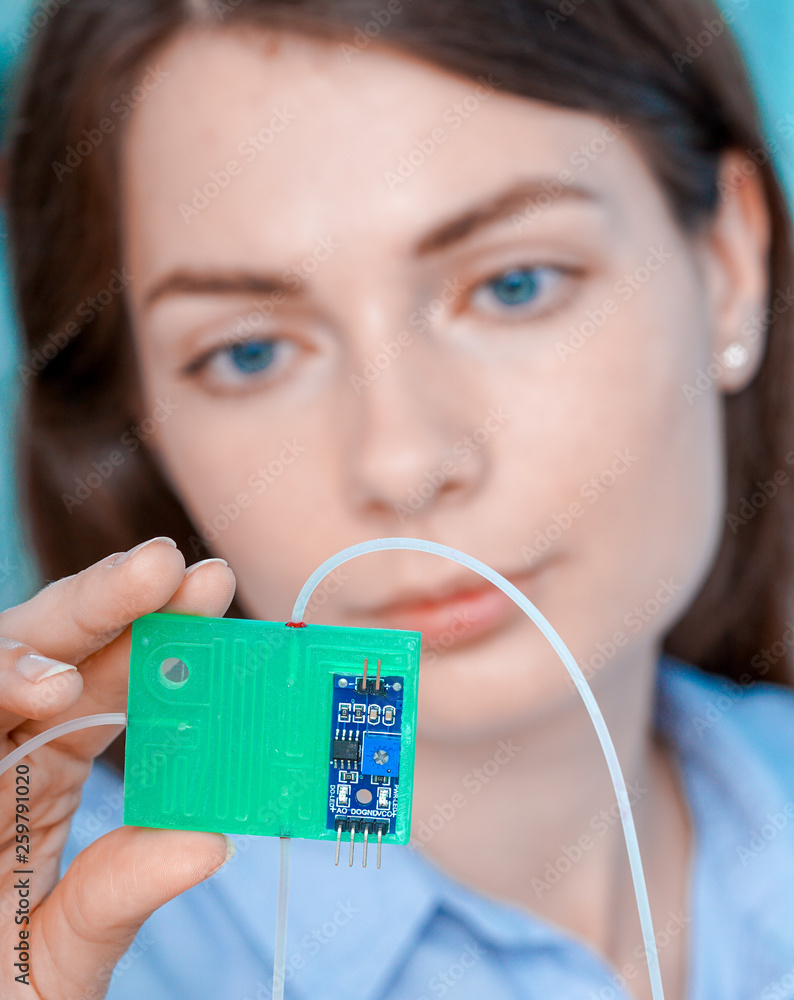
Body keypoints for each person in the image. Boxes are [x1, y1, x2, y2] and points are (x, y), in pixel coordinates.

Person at [2, 0, 794, 997]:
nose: (402, 462)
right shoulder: (50, 943)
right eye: (250, 352)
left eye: (513, 284)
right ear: (144, 422)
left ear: (725, 268)